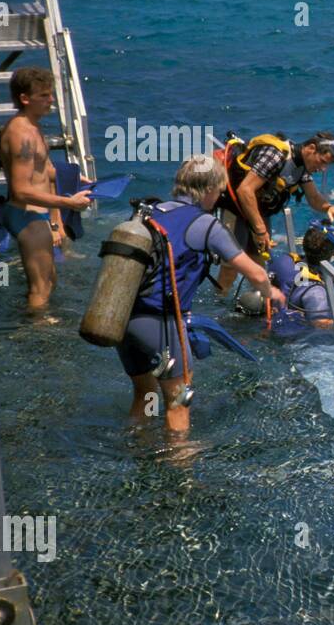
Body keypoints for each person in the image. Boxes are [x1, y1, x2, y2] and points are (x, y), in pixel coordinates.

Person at [117, 155, 284, 435]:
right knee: (178, 402)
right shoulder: (206, 224)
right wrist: (272, 292)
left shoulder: (149, 213)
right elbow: (254, 273)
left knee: (146, 393)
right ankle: (180, 470)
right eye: (219, 192)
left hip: (123, 319)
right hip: (162, 325)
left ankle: (138, 440)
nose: (219, 198)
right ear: (208, 190)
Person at [0, 68, 92, 309]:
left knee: (50, 281)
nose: (51, 101)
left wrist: (75, 178)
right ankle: (37, 335)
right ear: (24, 98)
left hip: (36, 214)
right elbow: (21, 190)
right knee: (40, 289)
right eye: (44, 96)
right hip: (26, 215)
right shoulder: (22, 134)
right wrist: (69, 203)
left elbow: (43, 169)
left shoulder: (33, 126)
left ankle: (41, 324)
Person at [213, 131, 334, 291]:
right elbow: (245, 190)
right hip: (235, 208)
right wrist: (260, 229)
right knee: (230, 268)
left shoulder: (302, 169)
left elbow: (313, 198)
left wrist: (329, 207)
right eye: (322, 161)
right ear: (311, 148)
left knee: (260, 266)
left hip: (257, 212)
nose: (323, 168)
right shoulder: (276, 156)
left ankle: (260, 306)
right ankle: (219, 307)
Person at [267, 223, 334, 327]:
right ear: (332, 254)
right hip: (292, 333)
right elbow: (320, 325)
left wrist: (328, 277)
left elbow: (297, 280)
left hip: (271, 312)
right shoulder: (316, 292)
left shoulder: (285, 260)